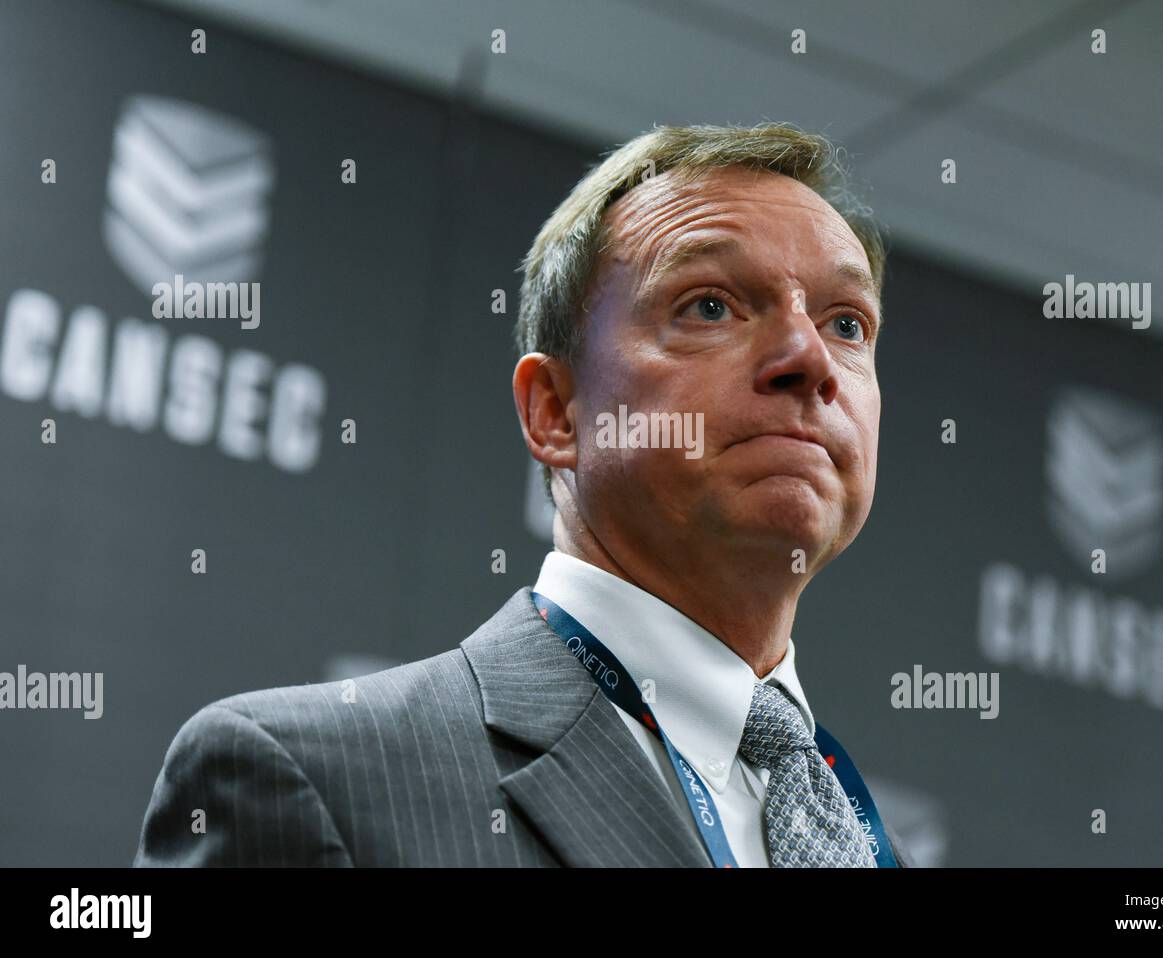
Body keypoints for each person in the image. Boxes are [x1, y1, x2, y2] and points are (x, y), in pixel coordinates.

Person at [133, 122, 910, 867]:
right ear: (556, 412)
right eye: (709, 305)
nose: (810, 359)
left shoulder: (870, 846)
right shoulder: (310, 783)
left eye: (846, 323)